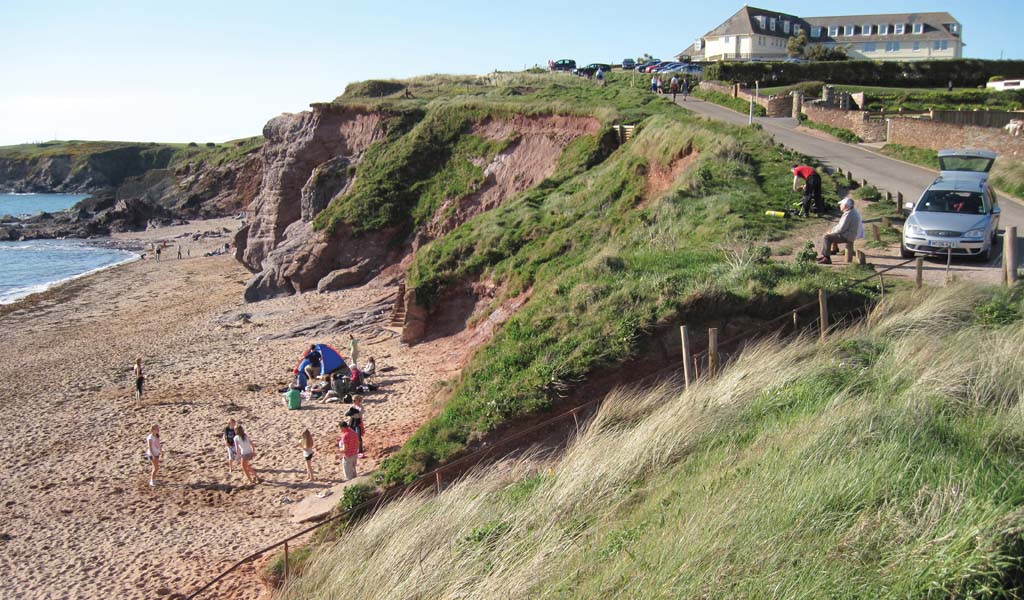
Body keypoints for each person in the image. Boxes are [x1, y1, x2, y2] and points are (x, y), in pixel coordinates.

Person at [818, 198, 862, 265]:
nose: (840, 206)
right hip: (850, 233)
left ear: (845, 206)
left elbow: (841, 228)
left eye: (841, 204)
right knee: (830, 234)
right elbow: (840, 226)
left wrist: (831, 232)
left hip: (848, 236)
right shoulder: (852, 211)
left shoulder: (848, 214)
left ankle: (826, 258)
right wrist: (832, 230)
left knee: (826, 237)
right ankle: (827, 254)